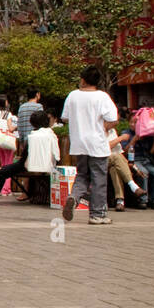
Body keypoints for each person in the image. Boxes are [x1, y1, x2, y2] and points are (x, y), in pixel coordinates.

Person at [60, 65, 119, 224]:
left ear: (83, 79)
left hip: (79, 143)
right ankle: (97, 214)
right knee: (99, 178)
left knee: (82, 175)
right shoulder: (102, 97)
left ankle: (74, 196)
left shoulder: (73, 96)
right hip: (97, 144)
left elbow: (65, 117)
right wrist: (104, 127)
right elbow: (113, 119)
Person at [0, 109, 59, 203]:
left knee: (1, 171)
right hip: (49, 168)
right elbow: (56, 155)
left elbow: (24, 159)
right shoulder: (52, 135)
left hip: (29, 167)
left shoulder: (32, 136)